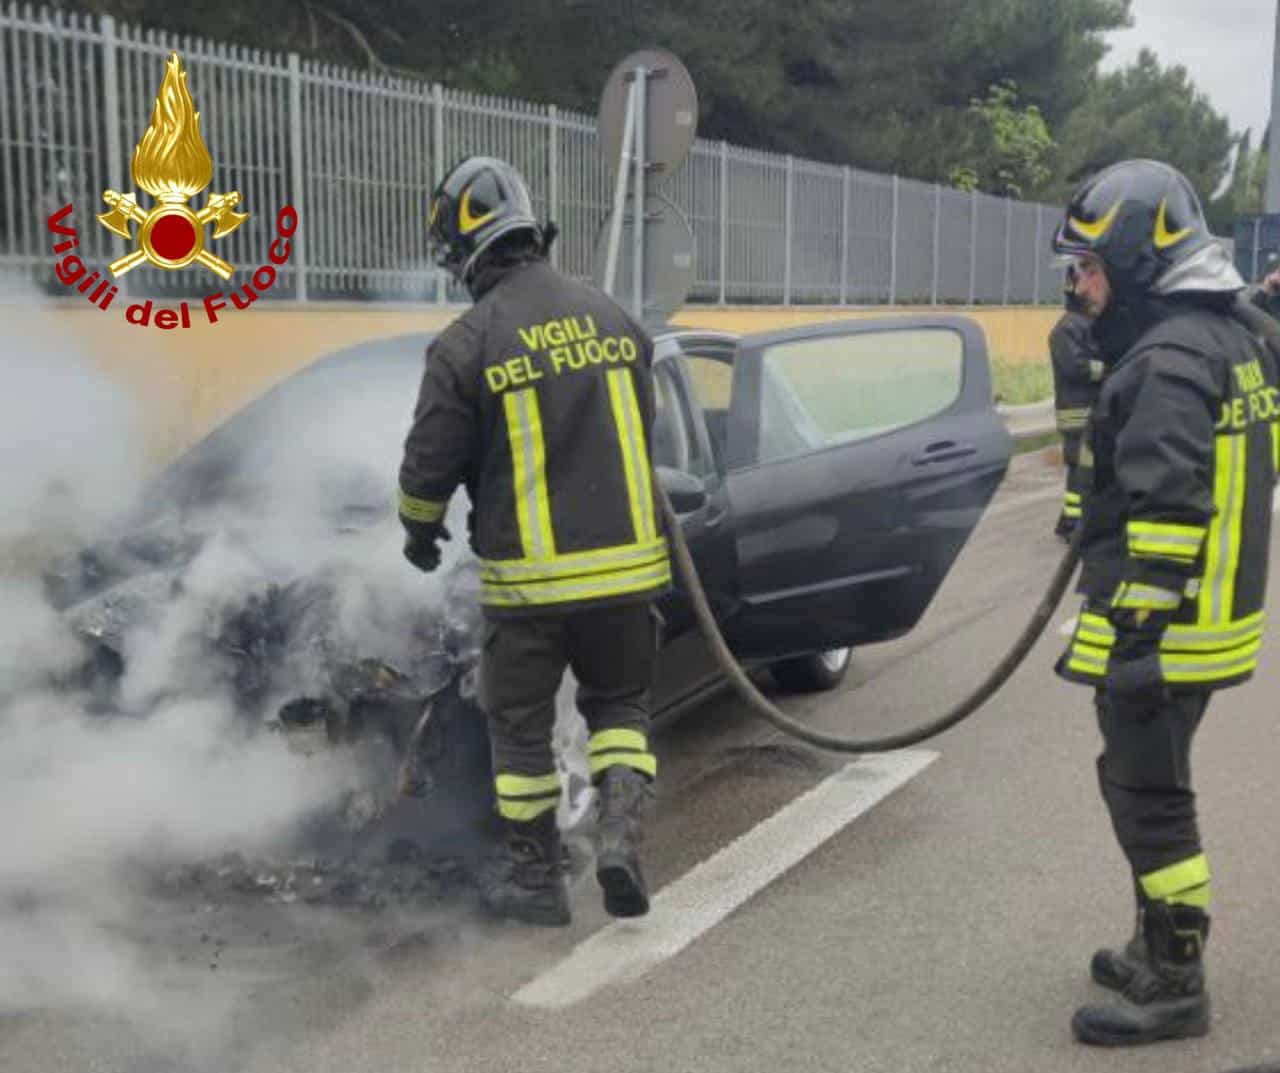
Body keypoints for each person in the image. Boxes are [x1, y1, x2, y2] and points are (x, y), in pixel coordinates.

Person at [397, 155, 670, 927]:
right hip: (629, 576)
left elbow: (427, 467)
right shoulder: (617, 320)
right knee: (620, 705)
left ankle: (536, 880)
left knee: (518, 726)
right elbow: (640, 438)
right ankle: (618, 836)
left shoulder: (467, 343)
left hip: (531, 592)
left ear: (463, 251)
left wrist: (420, 532)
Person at [1051, 159, 1277, 1046]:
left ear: (1144, 263)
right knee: (1144, 782)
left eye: (1094, 268)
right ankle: (1153, 945)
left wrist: (1137, 636)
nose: (1081, 286)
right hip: (1212, 621)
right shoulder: (1231, 338)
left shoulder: (1170, 363)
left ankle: (1177, 977)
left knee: (1150, 797)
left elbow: (1172, 508)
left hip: (1170, 631)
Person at [1048, 263, 1105, 540]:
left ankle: (1071, 521)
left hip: (1089, 412)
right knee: (1078, 472)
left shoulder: (1087, 325)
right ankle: (1072, 524)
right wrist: (1108, 368)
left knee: (1084, 472)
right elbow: (1077, 368)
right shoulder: (1065, 329)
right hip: (1076, 415)